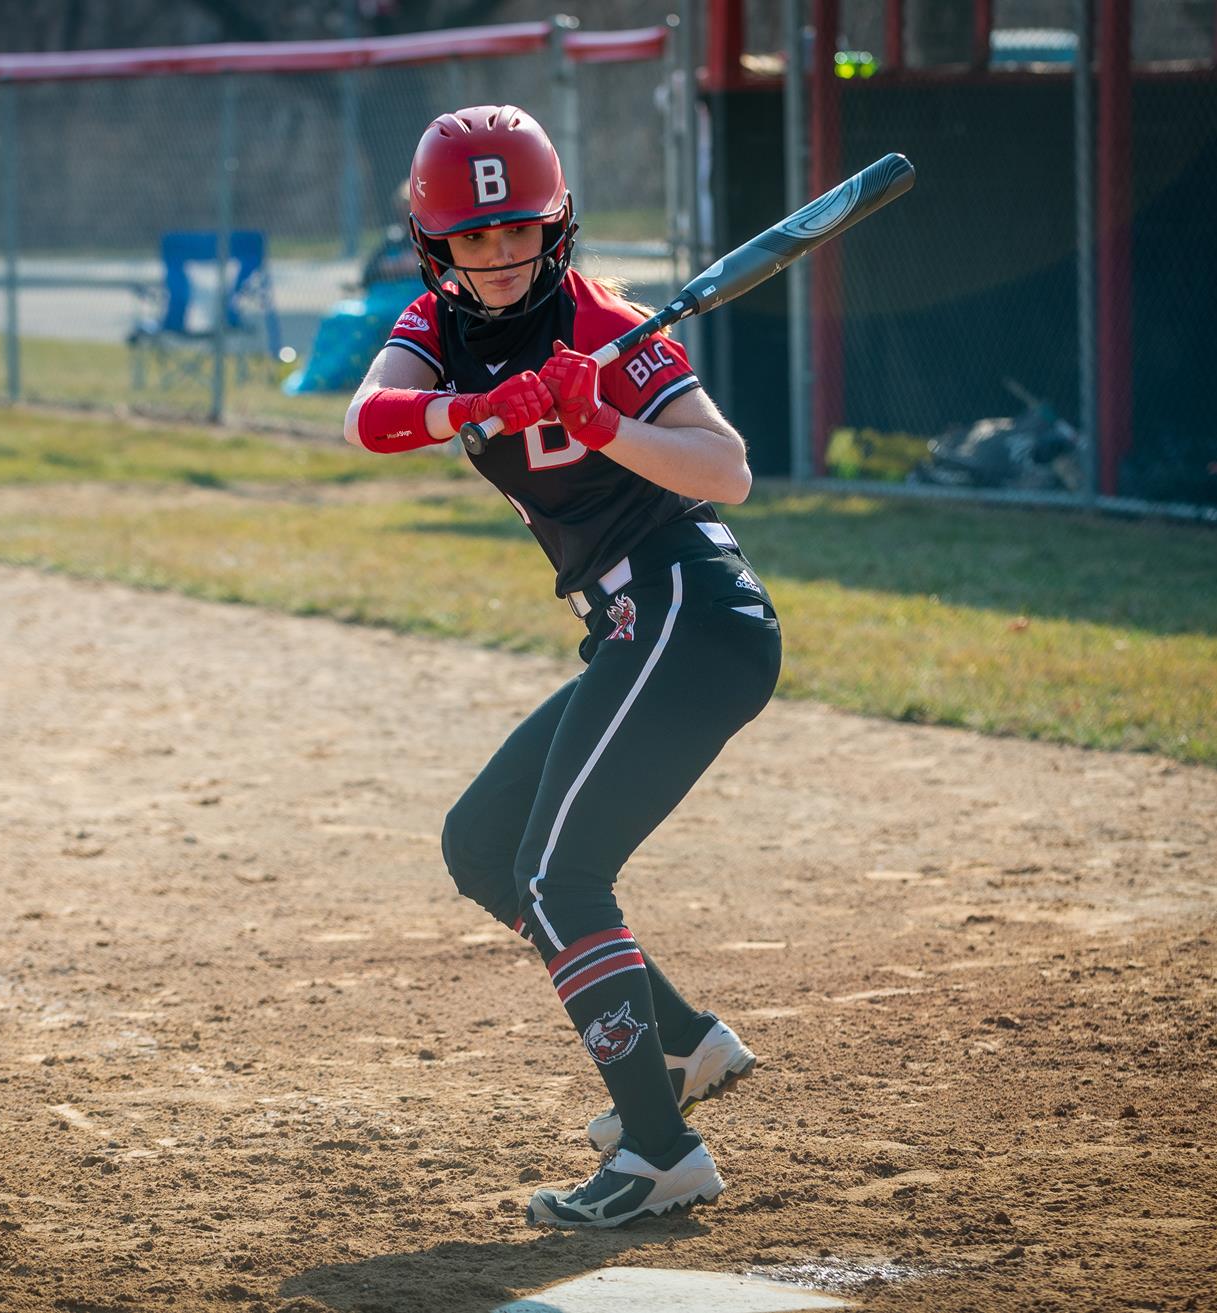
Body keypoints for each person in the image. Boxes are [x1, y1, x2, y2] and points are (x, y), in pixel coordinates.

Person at [342, 105, 781, 1229]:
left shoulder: (612, 325)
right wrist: (471, 405)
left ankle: (657, 1151)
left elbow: (724, 468)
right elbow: (369, 418)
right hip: (631, 625)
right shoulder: (435, 326)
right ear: (434, 247)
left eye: (518, 234)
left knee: (556, 875)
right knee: (484, 846)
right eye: (472, 240)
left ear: (557, 228)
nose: (497, 260)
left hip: (687, 609)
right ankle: (680, 1042)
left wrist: (602, 415)